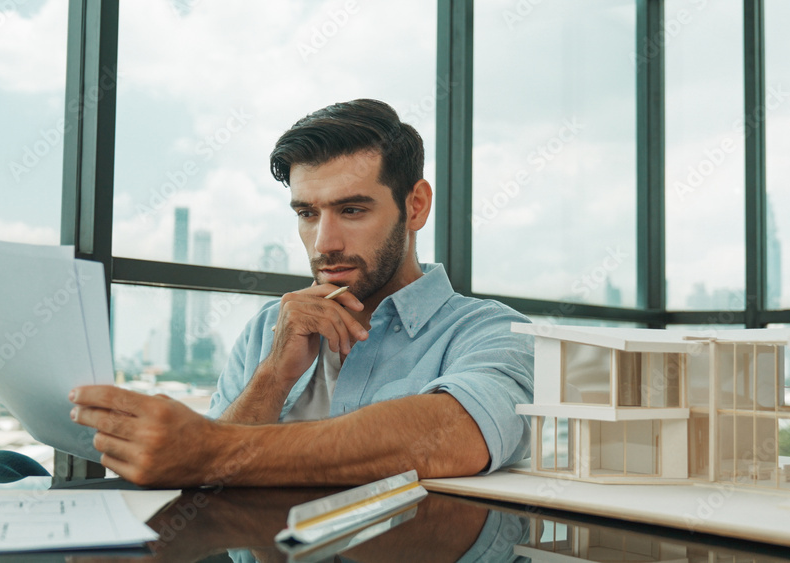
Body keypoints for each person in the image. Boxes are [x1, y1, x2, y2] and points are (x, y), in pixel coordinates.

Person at [69, 99, 535, 488]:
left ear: (415, 206)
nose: (323, 242)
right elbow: (198, 482)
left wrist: (212, 449)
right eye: (307, 213)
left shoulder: (494, 332)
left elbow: (458, 434)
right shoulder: (267, 330)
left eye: (352, 210)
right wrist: (273, 376)